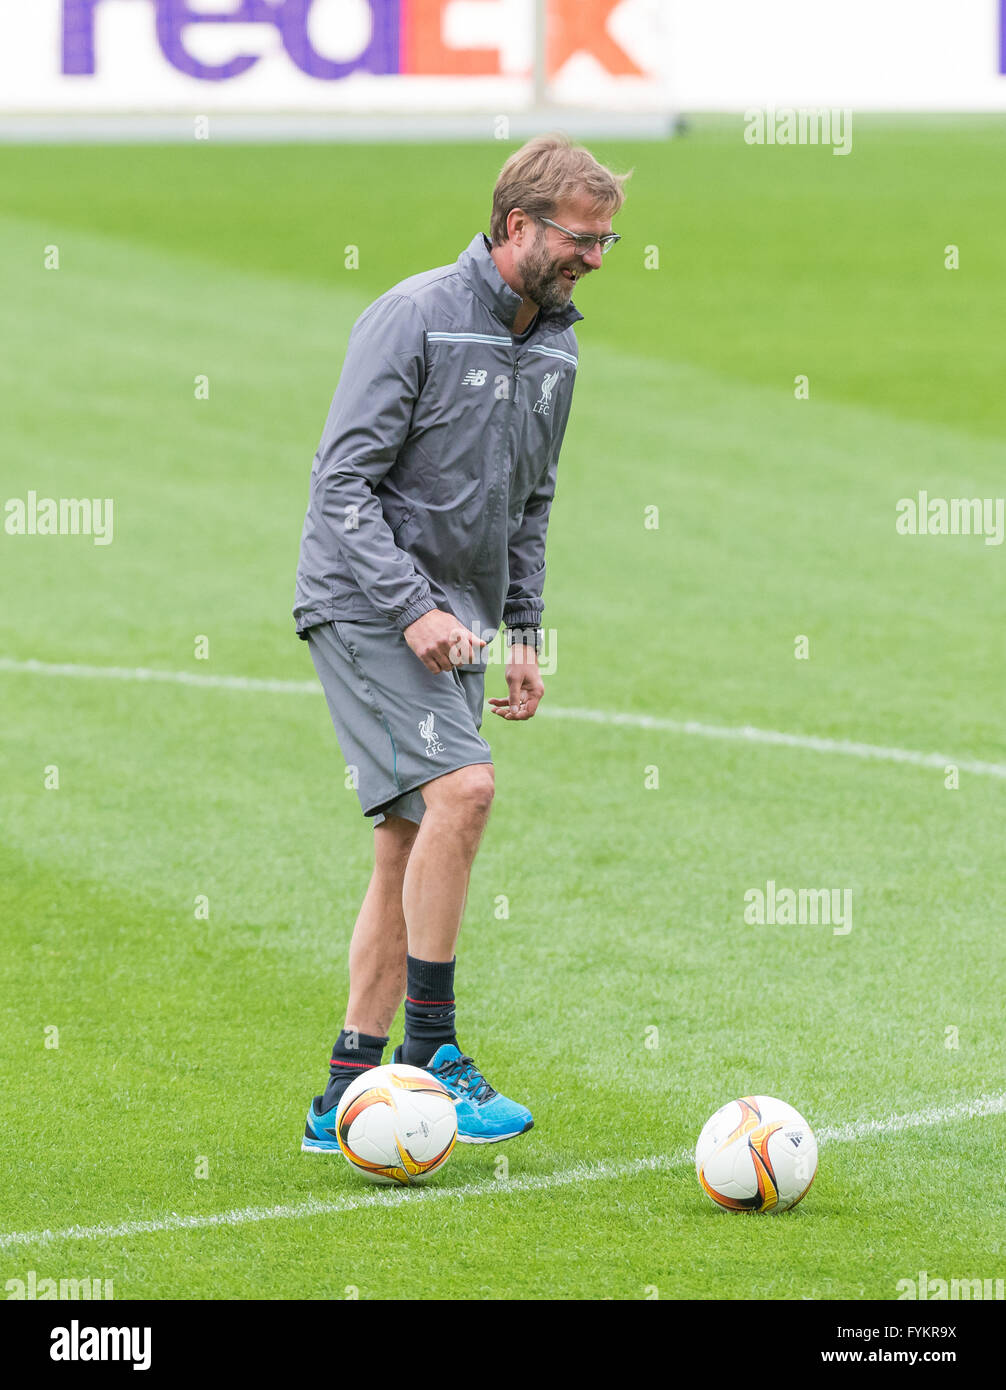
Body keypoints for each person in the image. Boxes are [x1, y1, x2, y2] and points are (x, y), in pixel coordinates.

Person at [294, 134, 627, 1149]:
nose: (598, 259)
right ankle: (432, 1049)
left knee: (408, 839)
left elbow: (531, 501)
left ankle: (345, 1090)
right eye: (582, 238)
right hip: (365, 603)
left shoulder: (559, 347)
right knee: (465, 792)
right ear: (516, 223)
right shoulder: (413, 317)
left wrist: (520, 626)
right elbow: (340, 484)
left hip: (462, 620)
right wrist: (413, 607)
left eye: (610, 240)